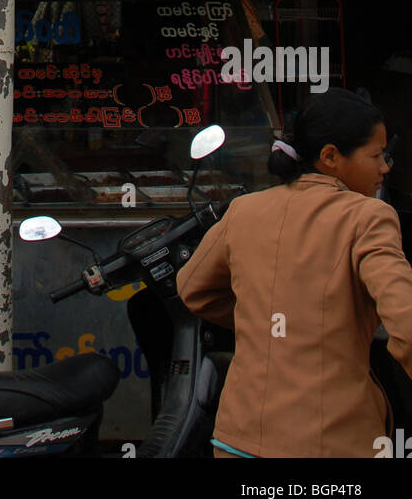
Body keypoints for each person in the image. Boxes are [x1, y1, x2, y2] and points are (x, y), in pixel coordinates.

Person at [176, 87, 412, 458]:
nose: (386, 167)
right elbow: (406, 322)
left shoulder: (244, 210)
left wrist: (264, 321)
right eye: (377, 155)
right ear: (331, 157)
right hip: (331, 441)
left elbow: (192, 289)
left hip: (239, 437)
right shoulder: (368, 216)